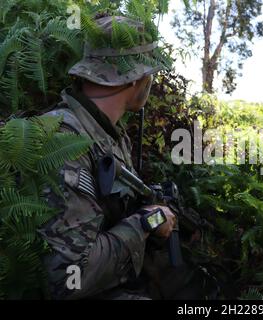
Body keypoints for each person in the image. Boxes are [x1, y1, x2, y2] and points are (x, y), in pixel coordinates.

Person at [38, 15, 180, 300]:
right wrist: (146, 223)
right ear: (136, 79)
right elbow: (68, 279)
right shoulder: (64, 140)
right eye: (149, 72)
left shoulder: (108, 134)